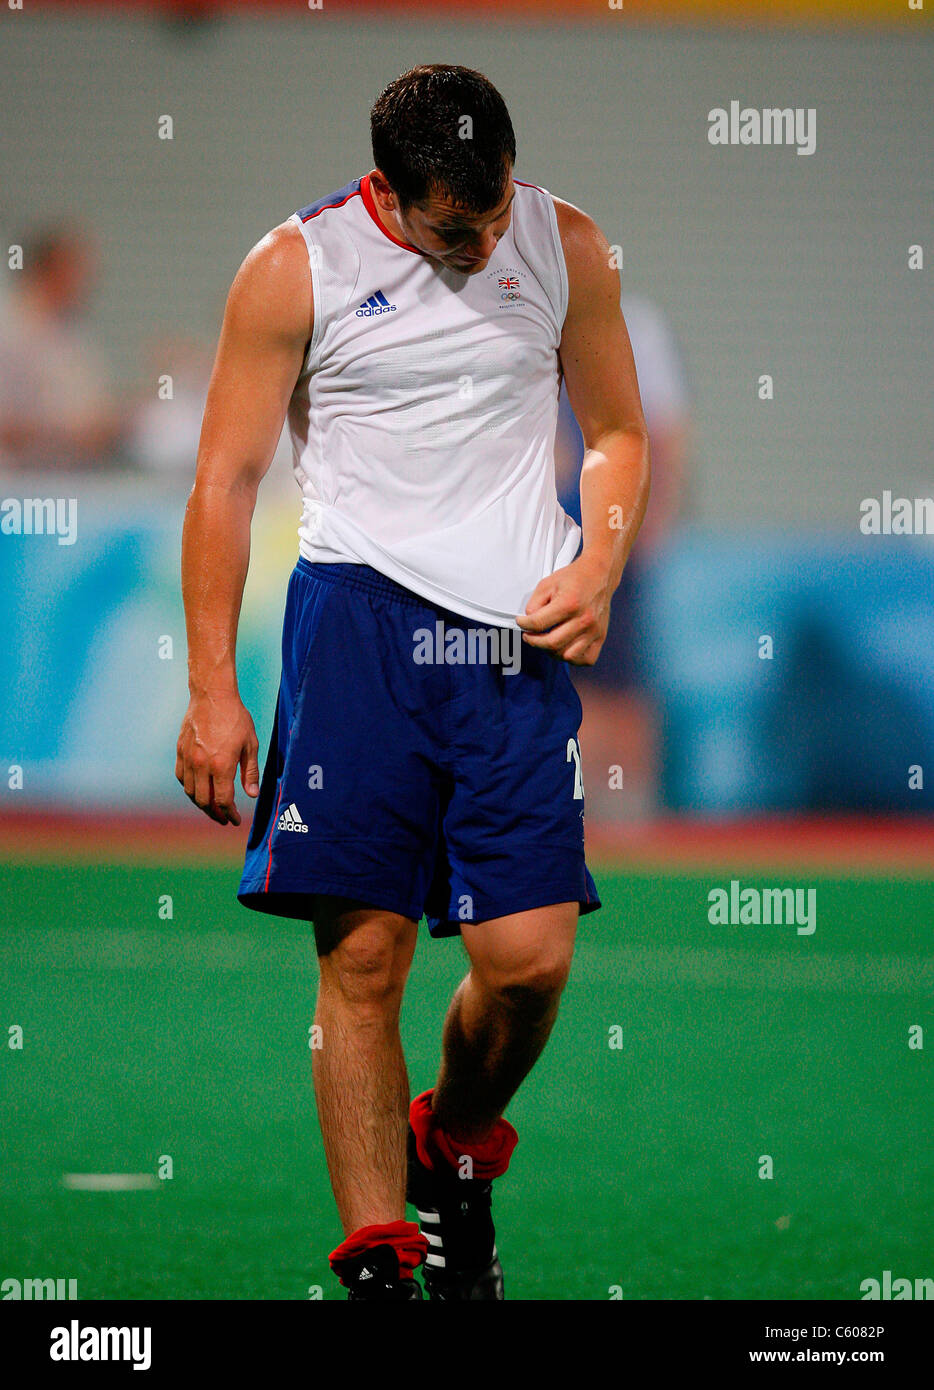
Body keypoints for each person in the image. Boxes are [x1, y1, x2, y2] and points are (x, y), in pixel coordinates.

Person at [175, 64, 649, 1301]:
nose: (483, 239)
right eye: (455, 225)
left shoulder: (568, 246)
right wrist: (213, 687)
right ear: (388, 190)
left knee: (529, 958)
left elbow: (615, 436)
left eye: (493, 214)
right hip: (357, 631)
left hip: (510, 639)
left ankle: (454, 1148)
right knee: (367, 958)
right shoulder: (294, 268)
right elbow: (224, 481)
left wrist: (598, 564)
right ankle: (382, 1257)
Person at [0, 227, 123, 473]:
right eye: (76, 270)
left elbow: (91, 408)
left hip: (68, 480)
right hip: (16, 484)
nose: (86, 281)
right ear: (49, 270)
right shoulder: (10, 330)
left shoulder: (70, 332)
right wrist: (69, 430)